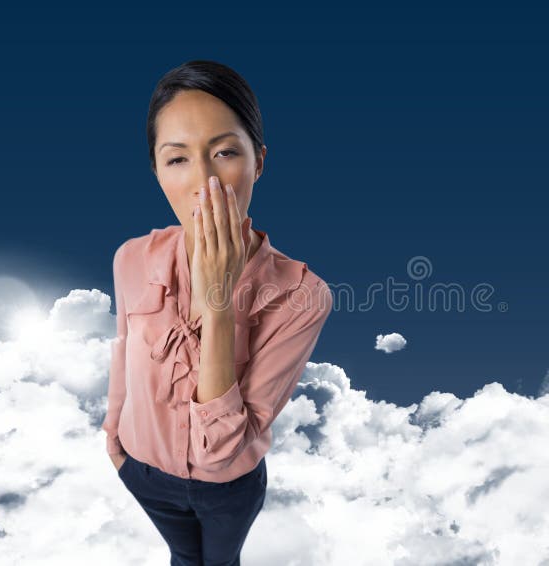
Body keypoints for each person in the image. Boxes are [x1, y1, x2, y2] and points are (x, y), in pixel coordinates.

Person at [101, 60, 334, 566]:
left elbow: (220, 450)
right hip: (143, 470)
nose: (203, 182)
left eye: (225, 152)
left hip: (227, 487)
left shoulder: (303, 296)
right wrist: (114, 439)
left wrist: (219, 300)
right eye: (177, 159)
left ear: (259, 162)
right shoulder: (131, 258)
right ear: (157, 171)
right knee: (182, 558)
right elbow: (123, 351)